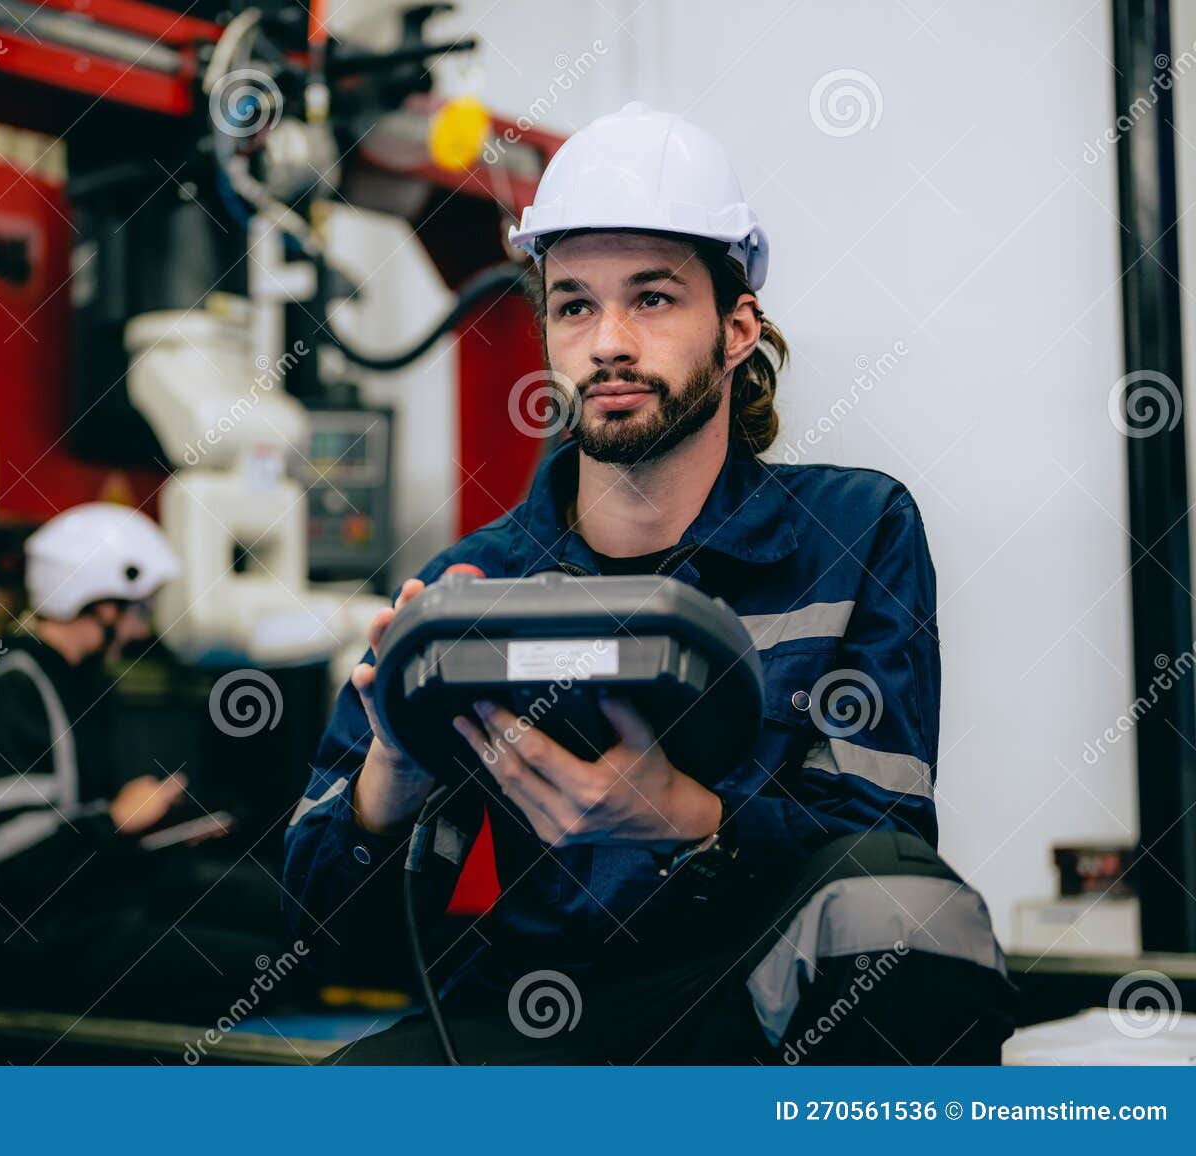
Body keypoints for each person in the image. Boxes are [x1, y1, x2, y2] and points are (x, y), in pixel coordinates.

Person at [283, 104, 1014, 1064]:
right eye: (575, 304)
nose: (609, 342)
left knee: (908, 914)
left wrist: (688, 820)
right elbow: (331, 938)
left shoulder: (852, 532)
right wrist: (394, 775)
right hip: (540, 1026)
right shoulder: (471, 587)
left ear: (738, 328)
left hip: (754, 1014)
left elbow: (879, 842)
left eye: (654, 298)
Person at [0, 502, 291, 1024]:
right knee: (267, 966)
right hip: (35, 942)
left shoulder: (76, 682)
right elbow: (15, 859)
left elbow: (74, 837)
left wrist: (161, 829)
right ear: (97, 604)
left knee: (272, 911)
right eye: (138, 610)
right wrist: (118, 819)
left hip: (84, 909)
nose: (139, 630)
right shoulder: (16, 688)